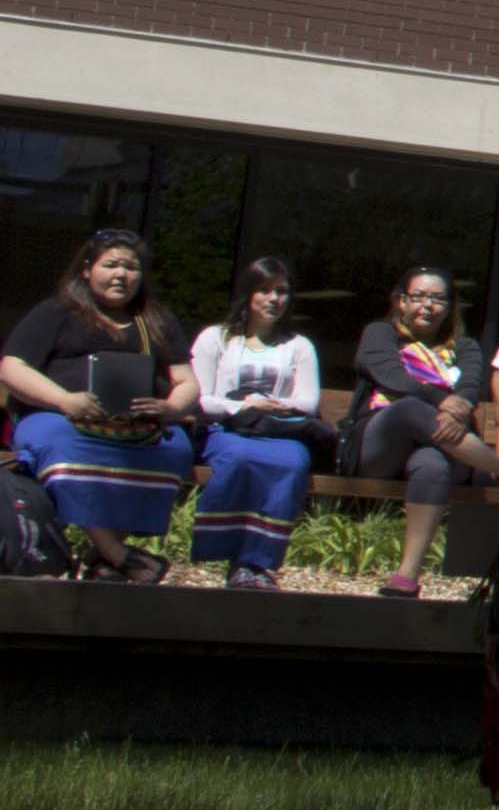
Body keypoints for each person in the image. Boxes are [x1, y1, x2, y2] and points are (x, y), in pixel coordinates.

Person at [7, 231, 188, 579]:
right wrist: (64, 400)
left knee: (175, 447)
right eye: (111, 265)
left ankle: (106, 558)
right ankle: (117, 554)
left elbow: (186, 380)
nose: (121, 274)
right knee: (59, 443)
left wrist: (171, 408)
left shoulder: (156, 320)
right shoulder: (56, 312)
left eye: (130, 267)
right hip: (59, 418)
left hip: (136, 426)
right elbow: (12, 366)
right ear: (88, 270)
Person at [347, 264, 499, 597]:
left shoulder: (466, 347)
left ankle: (406, 576)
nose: (427, 306)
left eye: (438, 299)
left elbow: (470, 390)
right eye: (418, 297)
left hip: (445, 448)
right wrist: (442, 400)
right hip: (381, 448)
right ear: (401, 301)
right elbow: (392, 377)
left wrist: (455, 405)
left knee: (432, 463)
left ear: (450, 307)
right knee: (407, 407)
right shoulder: (380, 334)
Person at [177, 258, 332, 584]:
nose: (274, 299)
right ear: (247, 293)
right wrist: (243, 406)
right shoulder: (216, 338)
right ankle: (230, 553)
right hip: (229, 429)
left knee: (291, 464)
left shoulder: (299, 346)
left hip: (281, 433)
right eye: (264, 290)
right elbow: (201, 397)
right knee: (241, 458)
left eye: (282, 291)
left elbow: (308, 402)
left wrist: (273, 405)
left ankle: (258, 564)